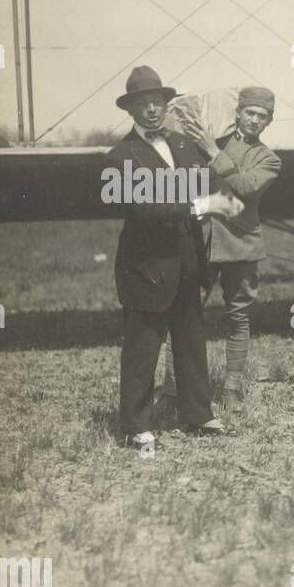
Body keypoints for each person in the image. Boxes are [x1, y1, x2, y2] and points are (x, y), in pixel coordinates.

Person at [104, 65, 242, 450]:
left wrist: (222, 190)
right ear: (130, 111)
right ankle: (136, 426)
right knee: (143, 348)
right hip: (146, 267)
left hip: (185, 261)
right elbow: (146, 207)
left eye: (157, 102)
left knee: (190, 340)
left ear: (167, 104)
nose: (152, 109)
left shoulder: (183, 145)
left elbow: (209, 180)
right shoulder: (120, 157)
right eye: (143, 104)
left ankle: (198, 415)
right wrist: (203, 203)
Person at [158, 86, 282, 414]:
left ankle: (232, 388)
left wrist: (213, 153)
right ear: (237, 113)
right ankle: (172, 390)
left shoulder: (269, 158)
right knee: (183, 314)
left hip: (241, 245)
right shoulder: (209, 140)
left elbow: (246, 188)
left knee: (238, 315)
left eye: (262, 116)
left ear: (269, 122)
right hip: (200, 241)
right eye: (250, 113)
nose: (255, 120)